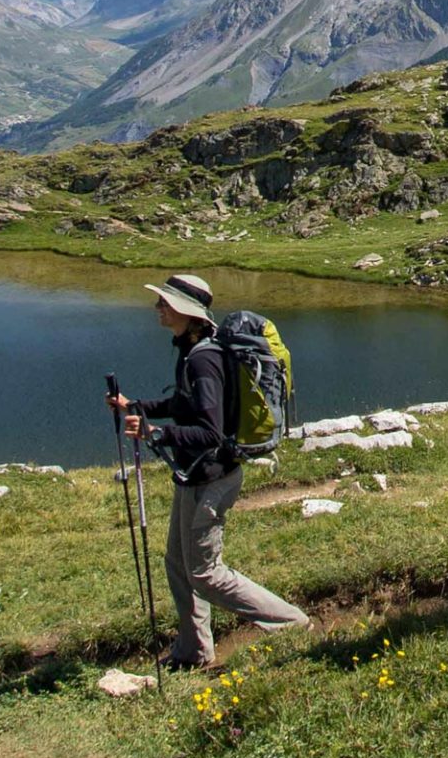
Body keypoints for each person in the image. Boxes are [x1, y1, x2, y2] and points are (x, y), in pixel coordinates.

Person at [105, 273, 308, 670]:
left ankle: (291, 624)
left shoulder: (202, 358)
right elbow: (188, 405)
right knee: (178, 564)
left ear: (185, 310)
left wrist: (155, 432)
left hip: (211, 477)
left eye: (163, 302)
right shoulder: (195, 348)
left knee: (205, 573)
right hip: (197, 475)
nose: (158, 308)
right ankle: (194, 650)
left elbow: (210, 431)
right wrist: (137, 407)